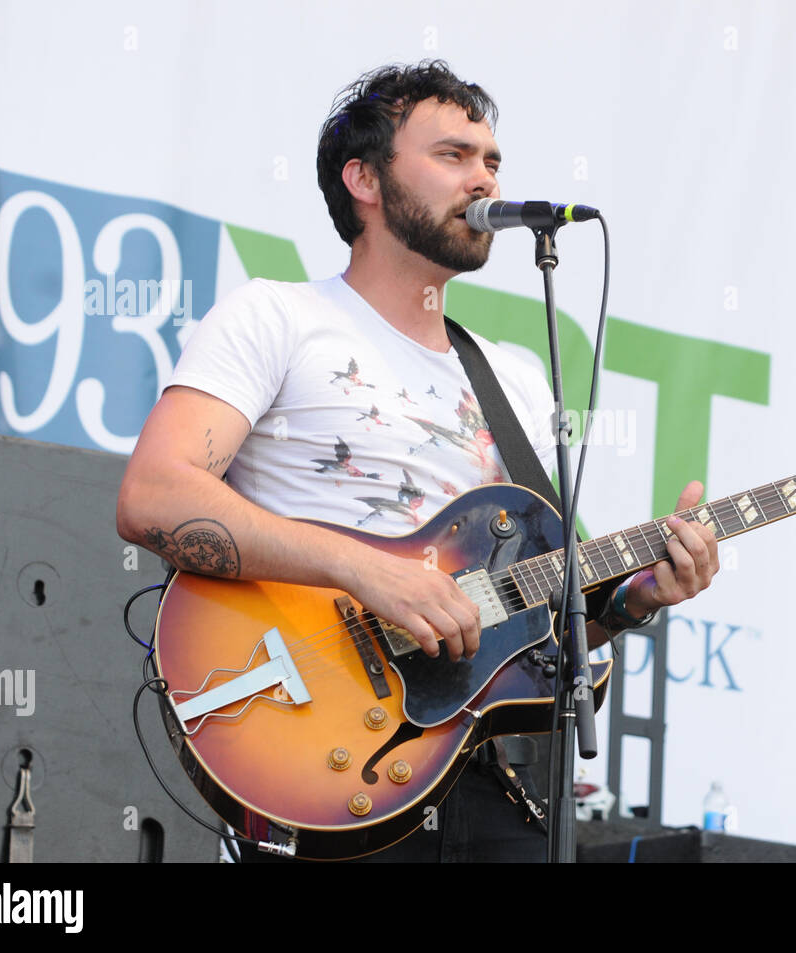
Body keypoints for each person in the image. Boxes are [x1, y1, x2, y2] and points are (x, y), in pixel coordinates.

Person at [116, 60, 720, 861]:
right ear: (363, 179)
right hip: (321, 747)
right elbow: (154, 496)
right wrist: (367, 570)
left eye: (492, 160)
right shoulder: (278, 317)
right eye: (453, 155)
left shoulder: (515, 380)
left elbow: (534, 626)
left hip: (472, 770)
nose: (483, 178)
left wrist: (635, 598)